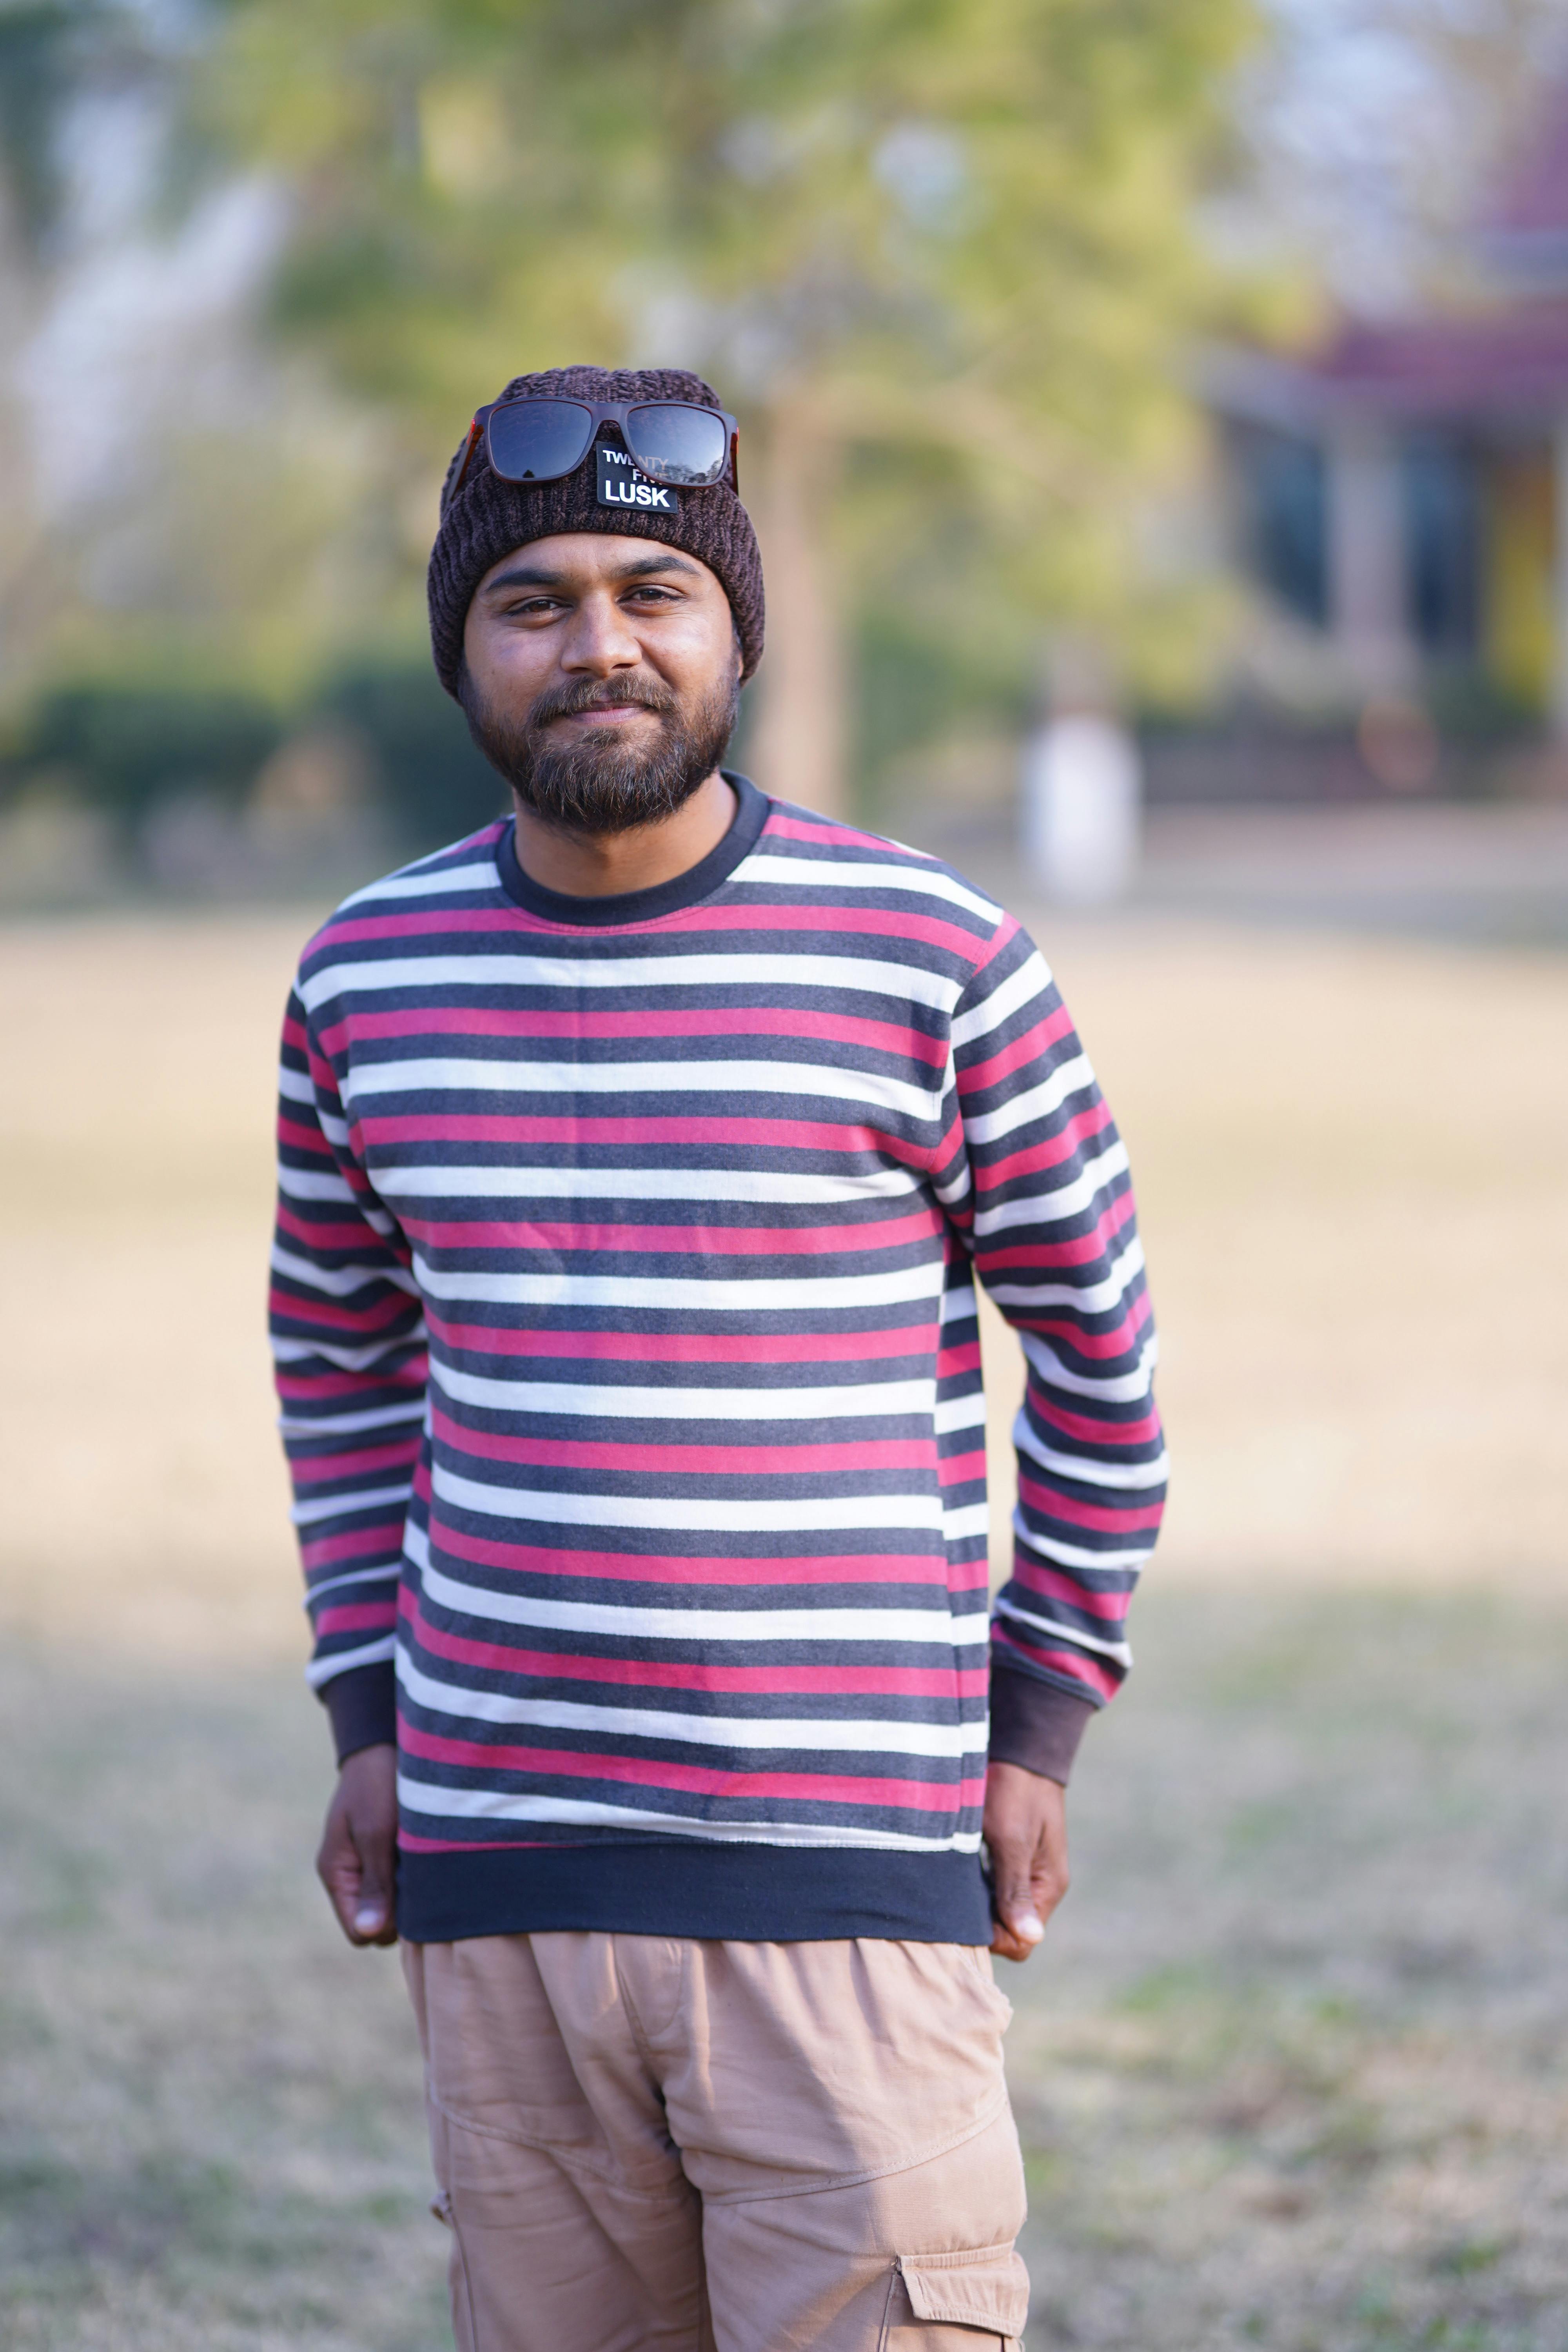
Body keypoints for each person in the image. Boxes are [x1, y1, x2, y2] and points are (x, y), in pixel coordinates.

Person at [269, 364, 1166, 2352]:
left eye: (653, 592)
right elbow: (339, 1371)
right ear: (462, 653)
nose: (598, 644)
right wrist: (365, 1717)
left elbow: (1100, 1361)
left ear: (735, 630)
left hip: (845, 1874)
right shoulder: (362, 980)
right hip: (503, 1875)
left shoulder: (935, 958)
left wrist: (1037, 1723)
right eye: (534, 602)